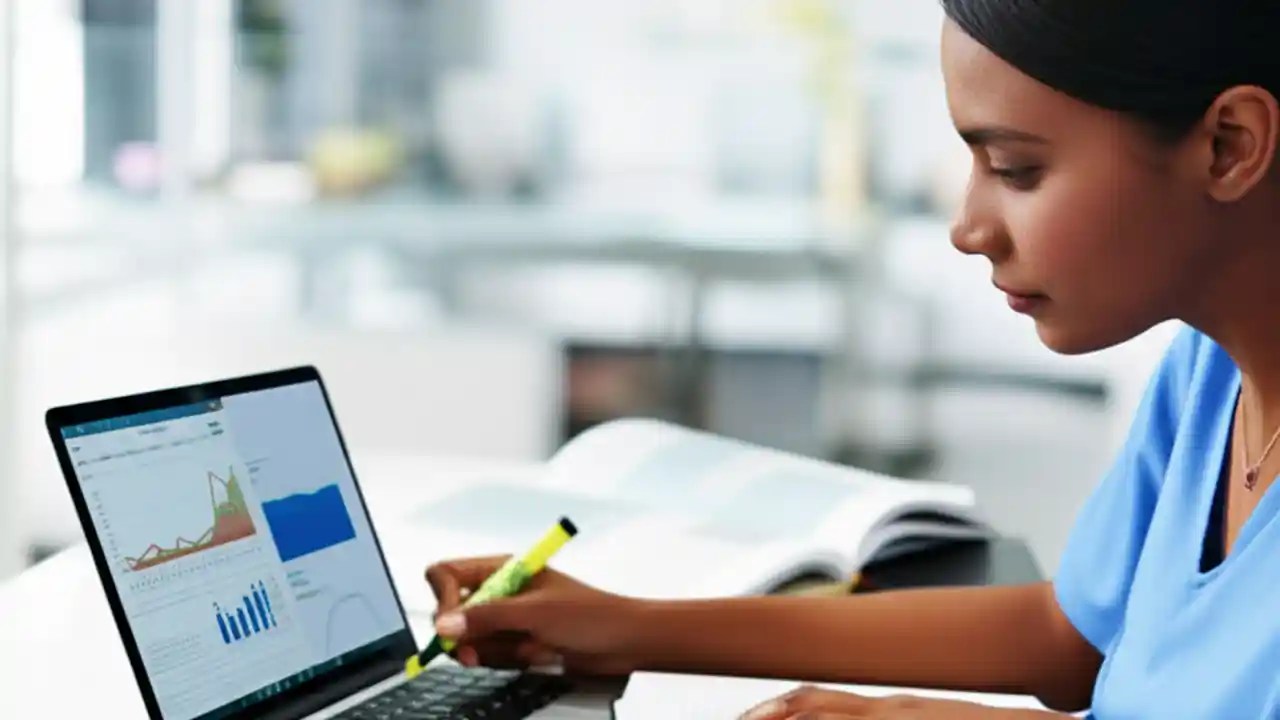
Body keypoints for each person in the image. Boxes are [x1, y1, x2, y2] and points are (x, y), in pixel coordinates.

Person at [424, 1, 1280, 717]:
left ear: (1229, 145)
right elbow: (1070, 640)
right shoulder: (1207, 376)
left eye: (1016, 169)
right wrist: (624, 625)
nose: (968, 227)